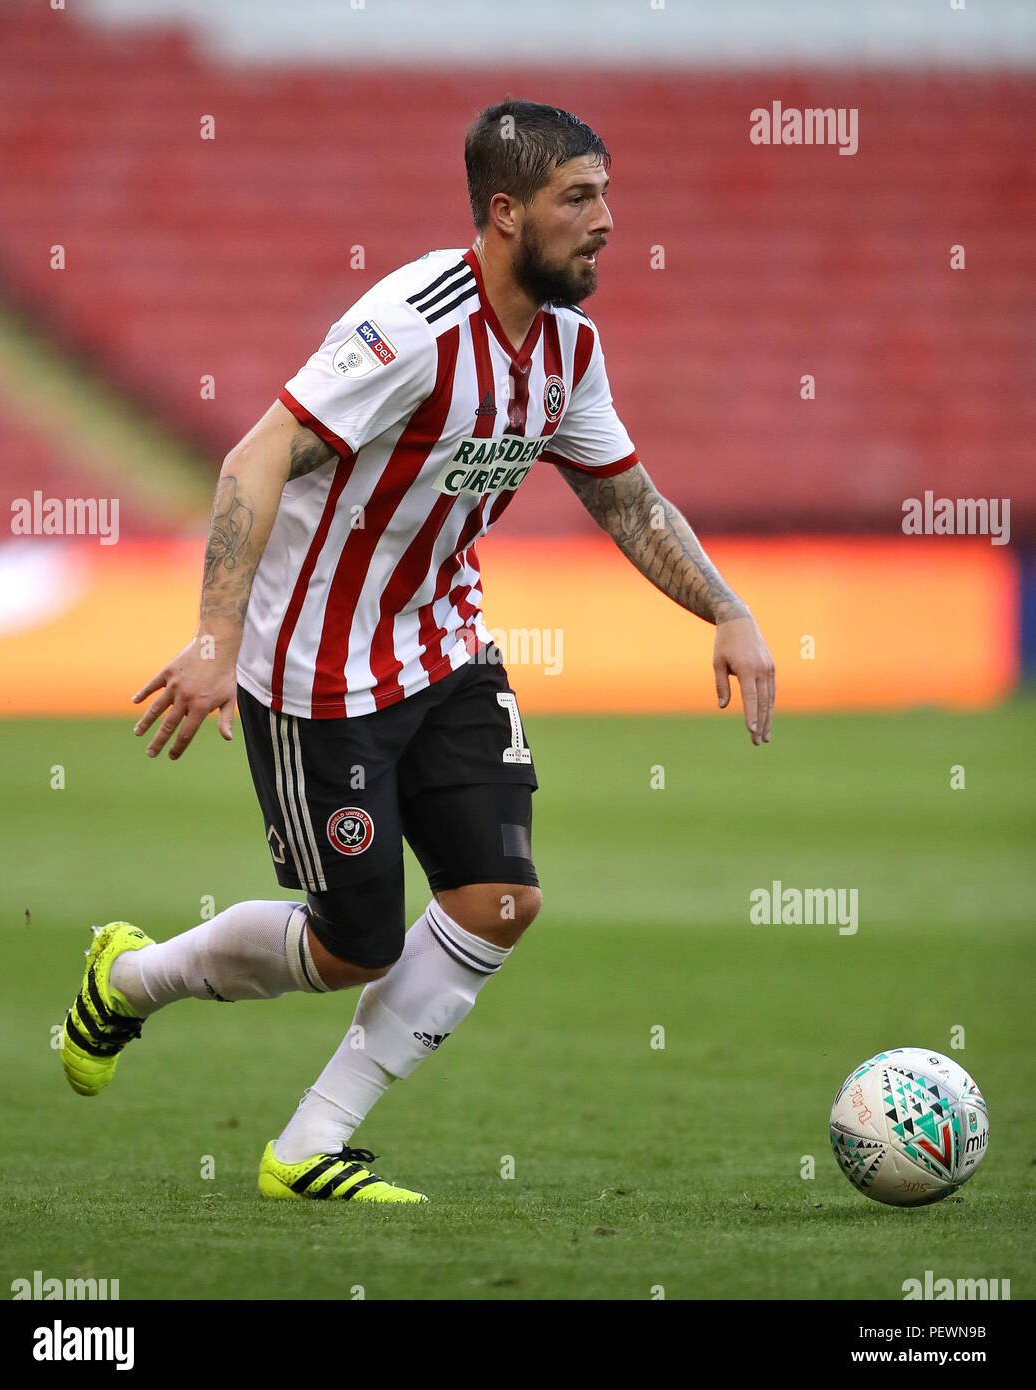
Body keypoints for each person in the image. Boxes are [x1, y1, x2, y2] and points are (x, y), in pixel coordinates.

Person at [61, 99, 775, 1204]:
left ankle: (307, 1145)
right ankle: (132, 979)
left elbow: (626, 499)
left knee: (500, 897)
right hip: (314, 666)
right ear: (505, 212)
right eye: (577, 199)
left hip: (444, 648)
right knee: (358, 944)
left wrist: (727, 610)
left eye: (606, 195)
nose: (606, 222)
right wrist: (214, 639)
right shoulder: (412, 326)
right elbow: (252, 460)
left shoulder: (569, 350)